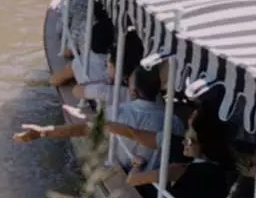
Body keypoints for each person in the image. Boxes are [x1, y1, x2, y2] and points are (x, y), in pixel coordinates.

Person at [15, 59, 180, 173]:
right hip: (156, 176)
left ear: (133, 92)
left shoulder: (118, 113)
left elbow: (82, 130)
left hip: (126, 168)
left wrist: (41, 132)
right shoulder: (175, 121)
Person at [129, 104, 236, 198]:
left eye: (190, 140)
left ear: (204, 145)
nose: (183, 142)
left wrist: (137, 164)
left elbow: (132, 180)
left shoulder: (179, 170)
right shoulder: (221, 170)